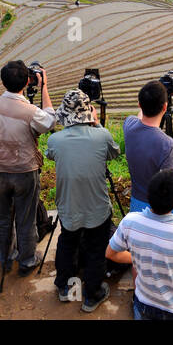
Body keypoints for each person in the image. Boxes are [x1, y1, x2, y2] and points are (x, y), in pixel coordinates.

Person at [45, 88, 120, 312]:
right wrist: (96, 124)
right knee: (97, 249)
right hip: (97, 208)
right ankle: (91, 295)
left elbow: (50, 154)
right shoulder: (102, 135)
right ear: (89, 112)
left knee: (67, 243)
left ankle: (64, 288)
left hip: (68, 207)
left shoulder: (55, 140)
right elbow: (114, 154)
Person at [0, 60, 55, 275]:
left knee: (3, 218)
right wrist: (43, 87)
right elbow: (50, 122)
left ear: (2, 81)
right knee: (26, 218)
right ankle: (27, 260)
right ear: (27, 82)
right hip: (24, 171)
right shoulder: (31, 112)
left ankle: (5, 258)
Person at [107, 168, 173, 320]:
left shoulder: (130, 221)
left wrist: (140, 258)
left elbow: (111, 253)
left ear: (148, 196)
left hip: (144, 304)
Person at [123, 80, 173, 222]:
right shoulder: (167, 144)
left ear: (140, 104)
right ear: (165, 107)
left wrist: (152, 93)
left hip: (136, 203)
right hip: (161, 208)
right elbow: (166, 186)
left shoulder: (129, 126)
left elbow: (140, 116)